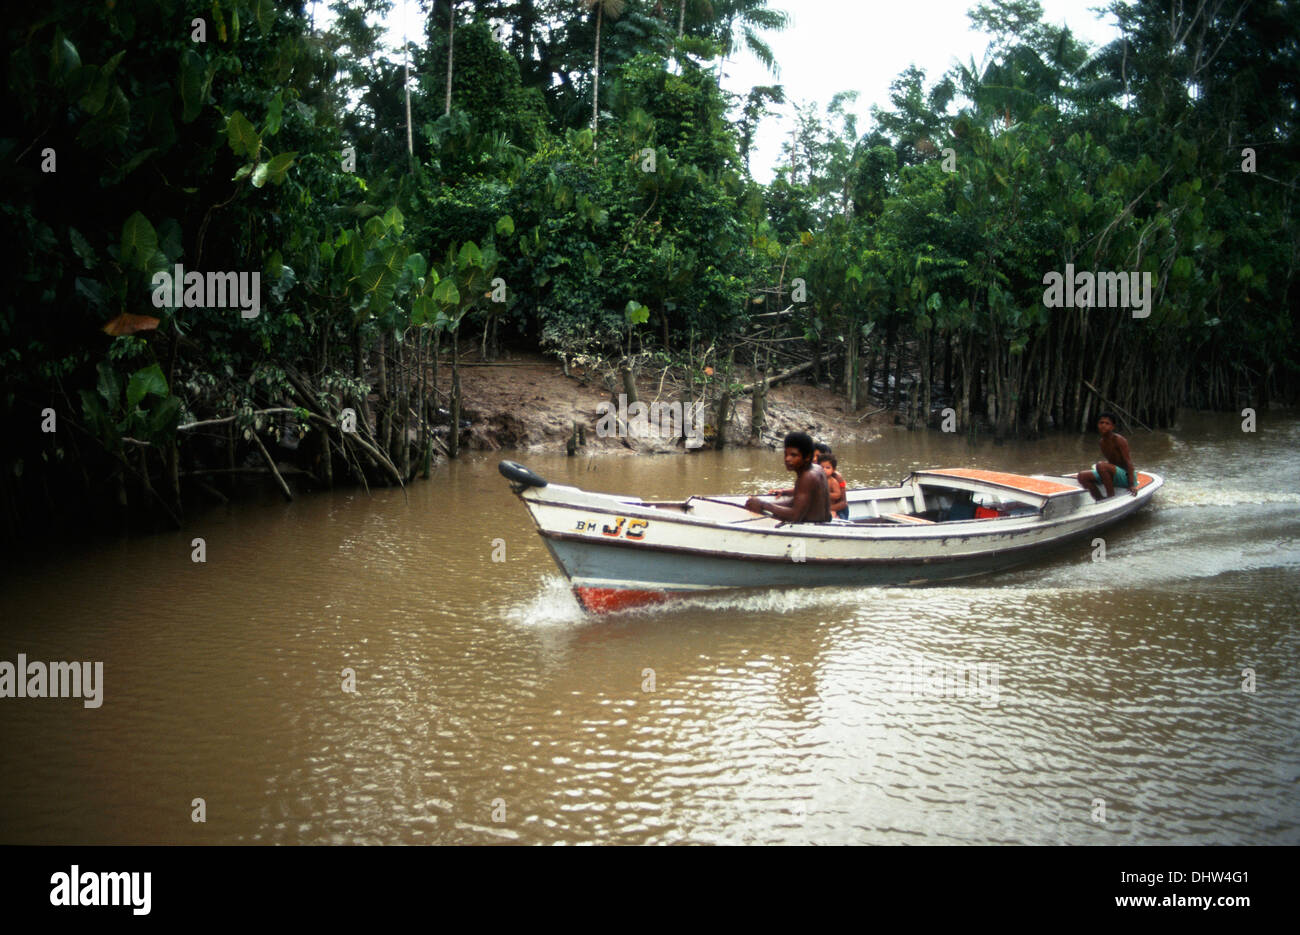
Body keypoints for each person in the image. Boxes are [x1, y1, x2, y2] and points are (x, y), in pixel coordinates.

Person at [746, 431, 831, 523]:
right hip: (824, 521)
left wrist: (763, 505)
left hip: (812, 527)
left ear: (807, 457)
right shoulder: (817, 468)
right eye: (786, 454)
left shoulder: (807, 477)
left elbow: (795, 516)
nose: (787, 459)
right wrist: (764, 504)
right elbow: (797, 501)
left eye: (793, 455)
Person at [1076, 411, 1138, 500]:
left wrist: (1132, 484)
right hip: (1113, 474)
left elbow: (1129, 463)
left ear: (1112, 427)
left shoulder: (1119, 440)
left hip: (1125, 476)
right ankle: (1099, 499)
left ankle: (1110, 496)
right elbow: (1111, 461)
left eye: (1107, 423)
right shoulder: (1102, 442)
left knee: (1100, 465)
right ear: (1098, 425)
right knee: (1082, 476)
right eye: (1101, 423)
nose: (1103, 425)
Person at [825, 454, 848, 520]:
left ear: (833, 469)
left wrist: (825, 494)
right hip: (822, 507)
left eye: (827, 467)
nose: (824, 470)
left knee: (831, 517)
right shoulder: (818, 478)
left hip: (833, 508)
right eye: (822, 467)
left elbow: (838, 495)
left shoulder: (834, 480)